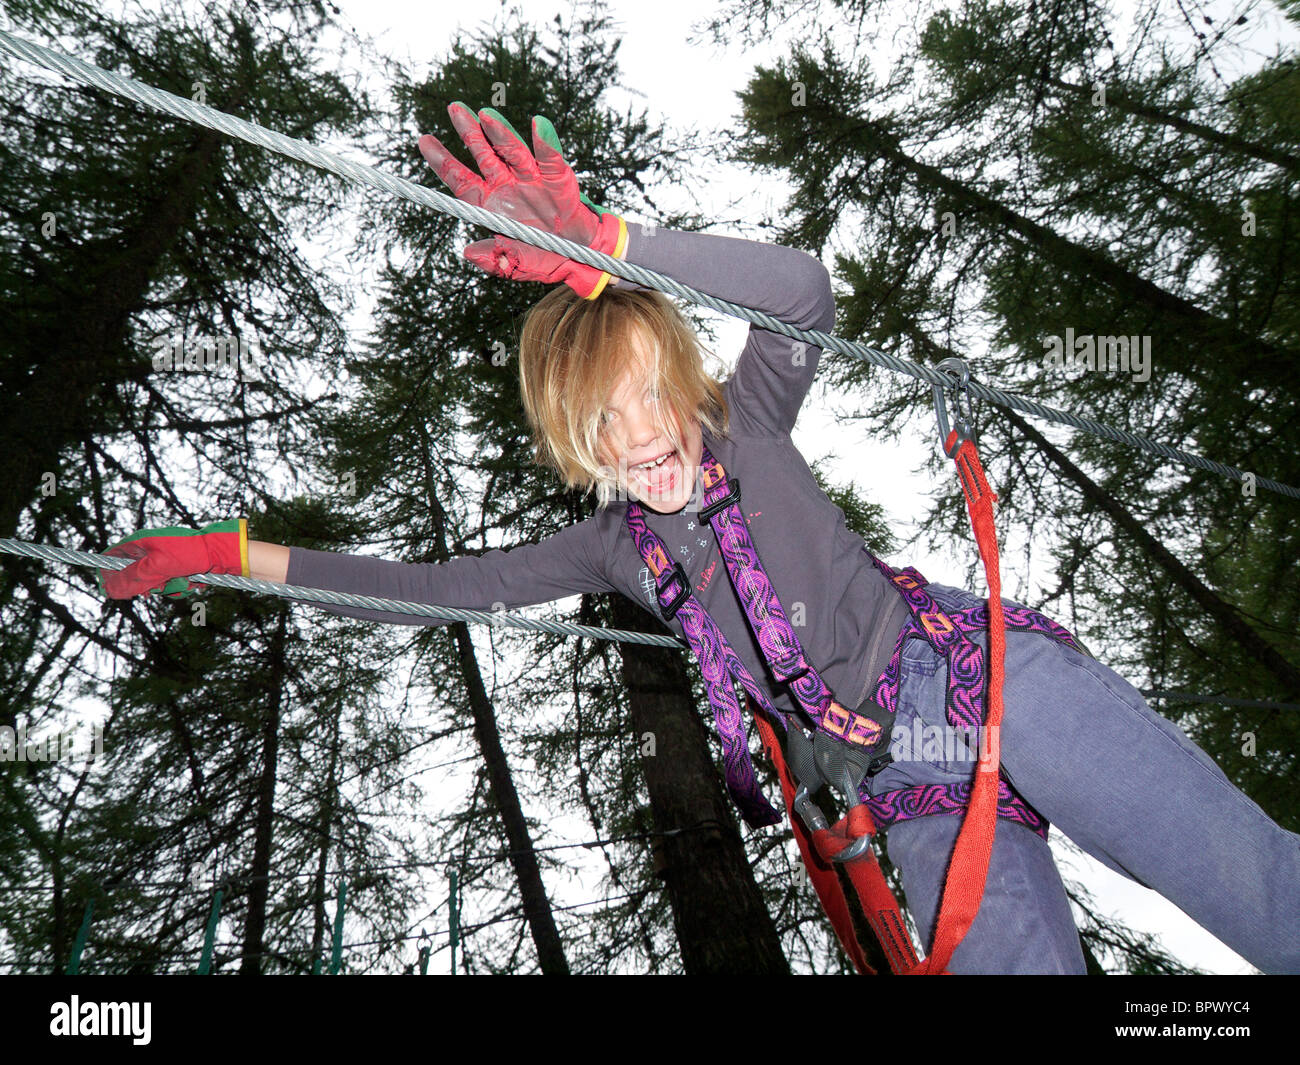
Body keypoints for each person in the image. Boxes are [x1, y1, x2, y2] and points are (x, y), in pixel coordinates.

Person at [101, 103, 1300, 974]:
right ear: (577, 446)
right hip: (905, 785)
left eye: (646, 393)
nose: (640, 435)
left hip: (971, 681)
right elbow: (436, 584)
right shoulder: (614, 552)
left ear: (683, 381)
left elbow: (803, 293)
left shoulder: (752, 430)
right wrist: (231, 558)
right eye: (601, 420)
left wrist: (608, 248)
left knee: (1248, 888)